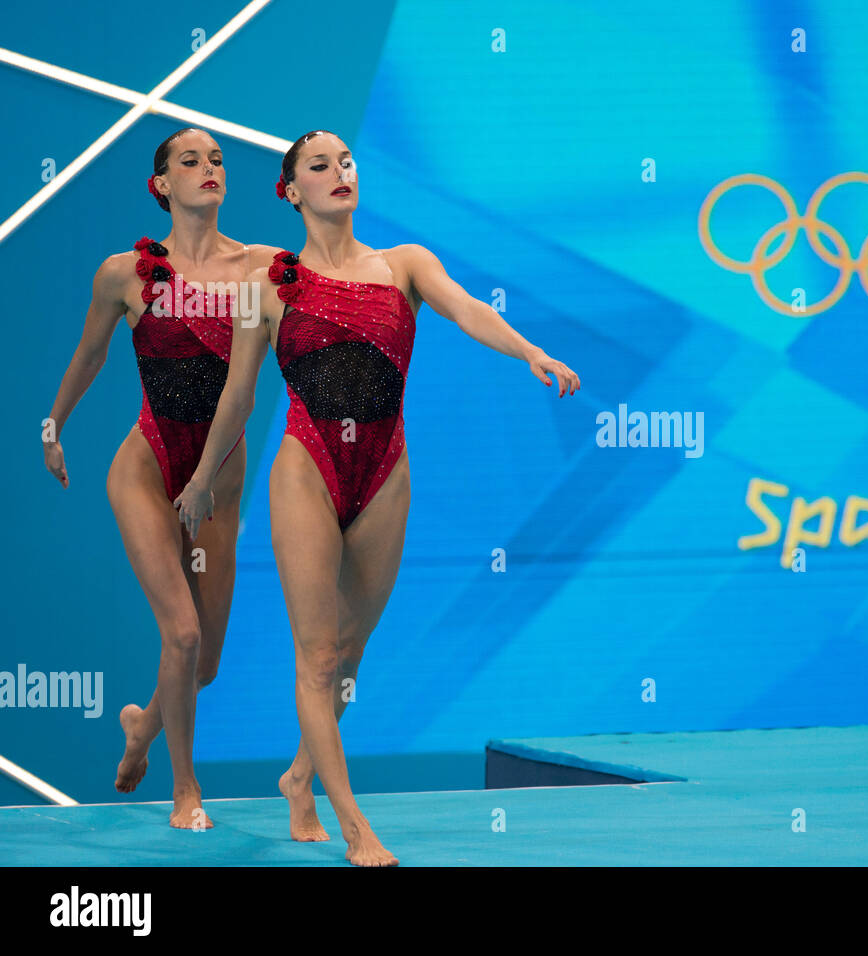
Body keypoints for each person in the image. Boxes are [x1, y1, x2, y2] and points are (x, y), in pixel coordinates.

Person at [176, 130, 580, 865]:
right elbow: (237, 396)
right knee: (317, 656)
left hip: (384, 471)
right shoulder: (265, 286)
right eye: (320, 166)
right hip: (307, 465)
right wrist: (203, 477)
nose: (341, 173)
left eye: (347, 162)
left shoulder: (405, 266)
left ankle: (300, 778)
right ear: (291, 191)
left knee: (350, 653)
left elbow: (467, 310)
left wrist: (530, 351)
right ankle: (355, 824)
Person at [43, 128, 277, 827]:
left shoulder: (259, 268)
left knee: (201, 666)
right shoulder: (125, 273)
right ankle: (184, 791)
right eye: (190, 161)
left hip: (219, 487)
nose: (208, 168)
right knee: (180, 637)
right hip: (147, 469)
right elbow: (89, 356)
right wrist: (53, 427)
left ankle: (141, 727)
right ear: (161, 186)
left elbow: (335, 270)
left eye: (217, 159)